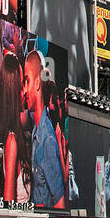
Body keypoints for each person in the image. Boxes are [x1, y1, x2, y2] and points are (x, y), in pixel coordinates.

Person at [24, 50, 67, 209]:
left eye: (26, 81)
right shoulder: (36, 128)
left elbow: (60, 202)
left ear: (37, 84)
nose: (24, 90)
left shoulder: (47, 139)